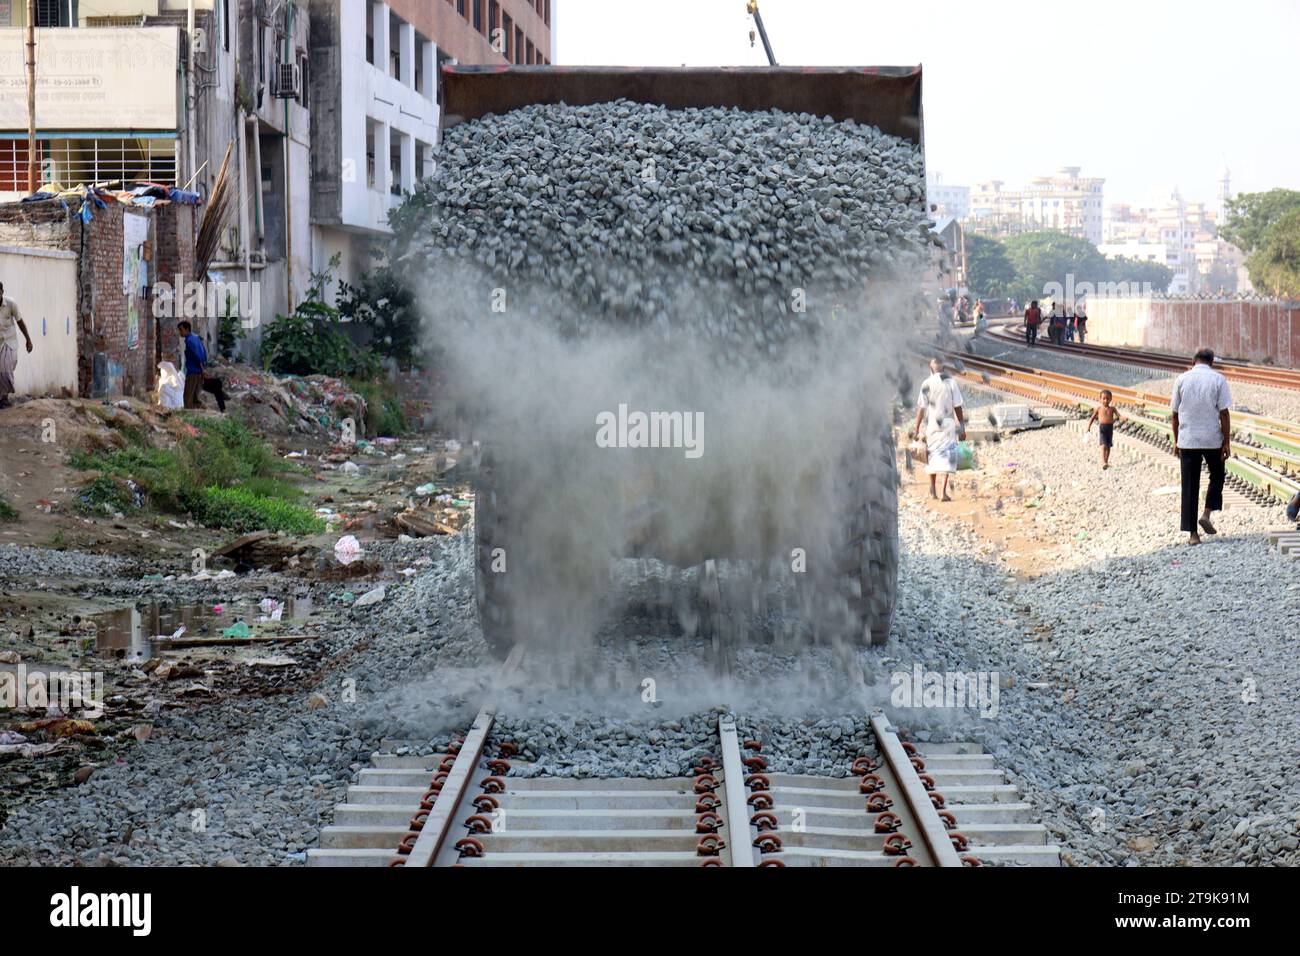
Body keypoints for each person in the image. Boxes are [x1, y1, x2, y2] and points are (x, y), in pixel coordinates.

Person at [1171, 348, 1232, 545]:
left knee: (1189, 485)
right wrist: (1226, 441)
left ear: (1193, 361)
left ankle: (1193, 536)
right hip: (1212, 439)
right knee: (1217, 475)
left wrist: (1176, 441)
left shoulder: (1181, 379)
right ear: (1212, 362)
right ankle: (1206, 513)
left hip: (1187, 439)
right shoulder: (1218, 379)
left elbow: (1174, 414)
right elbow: (1224, 413)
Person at [911, 358, 966, 501]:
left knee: (932, 456)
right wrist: (962, 426)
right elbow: (958, 406)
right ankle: (943, 492)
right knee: (947, 456)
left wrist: (916, 429)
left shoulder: (926, 383)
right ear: (944, 369)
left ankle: (933, 491)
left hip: (932, 425)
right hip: (948, 424)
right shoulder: (951, 382)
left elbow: (921, 408)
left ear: (931, 369)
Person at [0, 281, 35, 409]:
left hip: (9, 342)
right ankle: (1, 399)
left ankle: (4, 398)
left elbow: (20, 322)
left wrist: (28, 339)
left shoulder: (10, 304)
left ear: (2, 292)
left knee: (5, 369)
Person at [1085, 389, 1122, 469]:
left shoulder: (1112, 409)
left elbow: (1119, 416)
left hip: (1110, 428)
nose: (1106, 400)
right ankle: (1103, 461)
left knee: (1108, 445)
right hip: (1102, 428)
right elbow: (1092, 418)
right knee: (1103, 445)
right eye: (1104, 398)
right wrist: (1088, 427)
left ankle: (1106, 462)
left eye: (1108, 399)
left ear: (1111, 399)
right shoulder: (1098, 409)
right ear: (1100, 399)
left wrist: (1123, 418)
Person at [178, 320, 208, 410]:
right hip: (198, 372)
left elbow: (197, 355)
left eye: (181, 330)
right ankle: (199, 413)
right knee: (195, 396)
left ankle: (190, 416)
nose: (180, 332)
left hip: (193, 372)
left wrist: (202, 369)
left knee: (188, 397)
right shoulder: (196, 338)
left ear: (187, 329)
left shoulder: (190, 341)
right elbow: (203, 353)